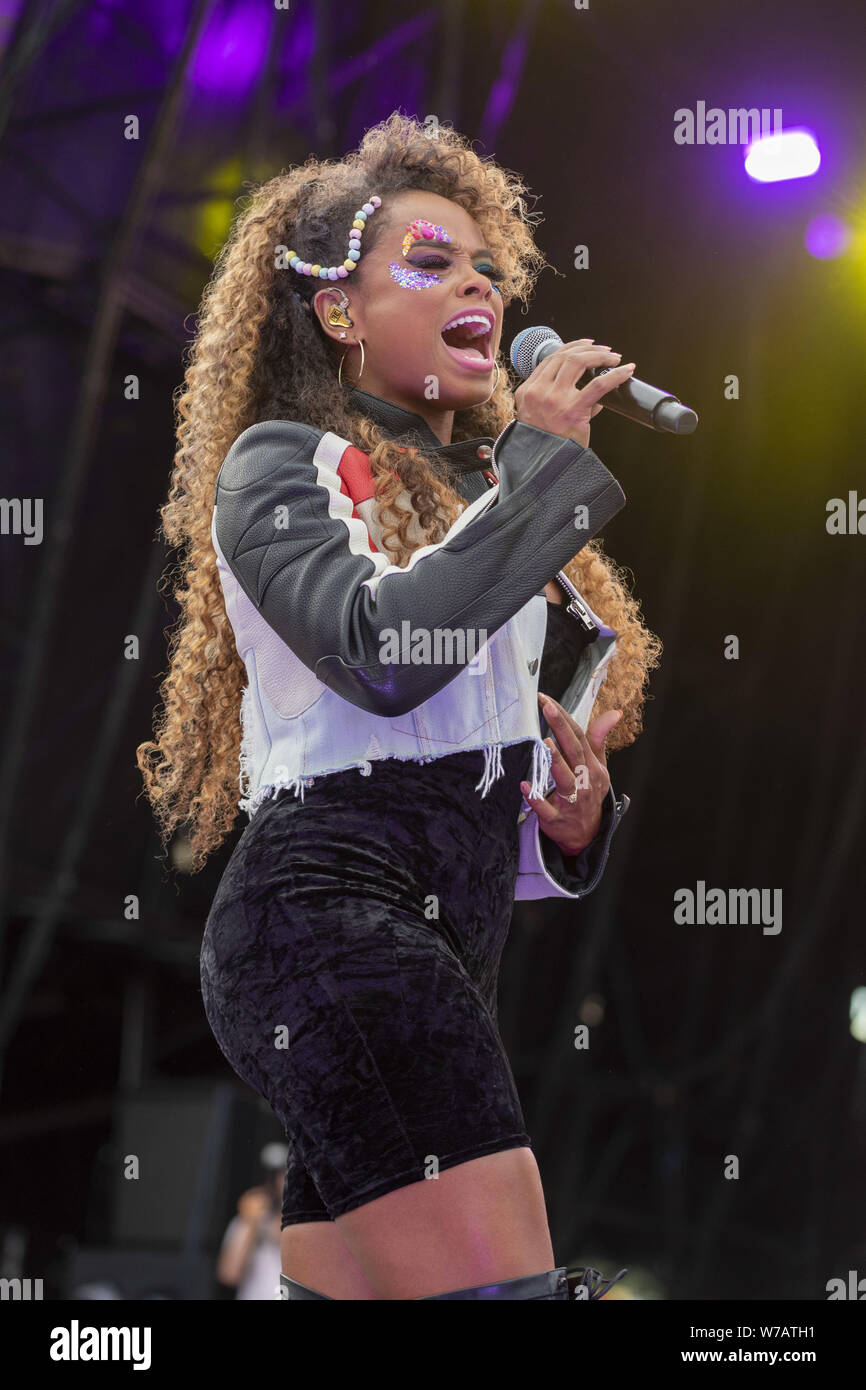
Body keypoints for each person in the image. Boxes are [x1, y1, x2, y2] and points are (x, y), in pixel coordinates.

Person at [137, 112, 661, 1301]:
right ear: (338, 312)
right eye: (428, 261)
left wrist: (568, 828)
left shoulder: (482, 500)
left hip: (428, 942)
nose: (474, 280)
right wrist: (534, 473)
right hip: (325, 923)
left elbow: (459, 768)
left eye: (485, 265)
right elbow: (378, 654)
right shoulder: (281, 463)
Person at [216, 1144, 286, 1301]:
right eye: (281, 1174)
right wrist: (250, 1223)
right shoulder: (249, 1217)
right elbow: (229, 1274)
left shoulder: (312, 1222)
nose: (286, 1180)